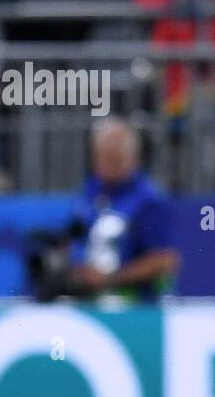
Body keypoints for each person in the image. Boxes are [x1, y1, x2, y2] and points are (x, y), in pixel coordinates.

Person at [68, 118, 179, 302]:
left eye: (115, 159)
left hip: (134, 306)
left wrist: (110, 278)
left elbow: (165, 259)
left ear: (133, 159)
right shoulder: (90, 191)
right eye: (102, 157)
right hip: (91, 302)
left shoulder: (147, 200)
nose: (107, 166)